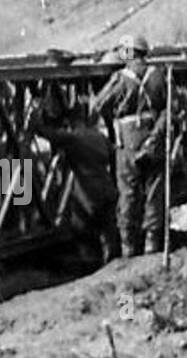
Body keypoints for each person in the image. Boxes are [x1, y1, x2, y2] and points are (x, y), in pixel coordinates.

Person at [89, 33, 168, 257]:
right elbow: (169, 109)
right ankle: (153, 242)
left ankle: (129, 247)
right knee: (154, 191)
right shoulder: (158, 75)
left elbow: (99, 105)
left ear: (129, 52)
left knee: (128, 193)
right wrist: (155, 137)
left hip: (129, 140)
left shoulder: (121, 78)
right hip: (154, 138)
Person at [30, 92, 119, 265]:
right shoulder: (100, 137)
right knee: (108, 229)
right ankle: (114, 262)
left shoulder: (73, 138)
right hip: (108, 189)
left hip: (88, 195)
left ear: (70, 122)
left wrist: (34, 114)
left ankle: (91, 266)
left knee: (83, 231)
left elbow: (44, 132)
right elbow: (113, 154)